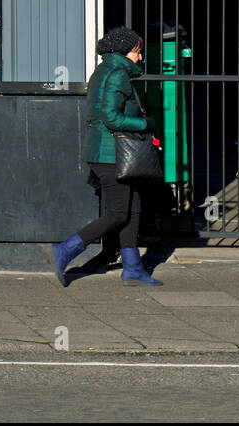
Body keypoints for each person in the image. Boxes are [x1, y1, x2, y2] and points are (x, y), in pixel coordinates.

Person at [52, 27, 162, 287]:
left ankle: (133, 269)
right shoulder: (116, 75)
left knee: (131, 210)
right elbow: (111, 118)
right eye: (138, 51)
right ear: (126, 51)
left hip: (111, 153)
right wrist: (145, 124)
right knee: (116, 213)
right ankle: (65, 250)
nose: (141, 57)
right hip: (111, 154)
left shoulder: (106, 71)